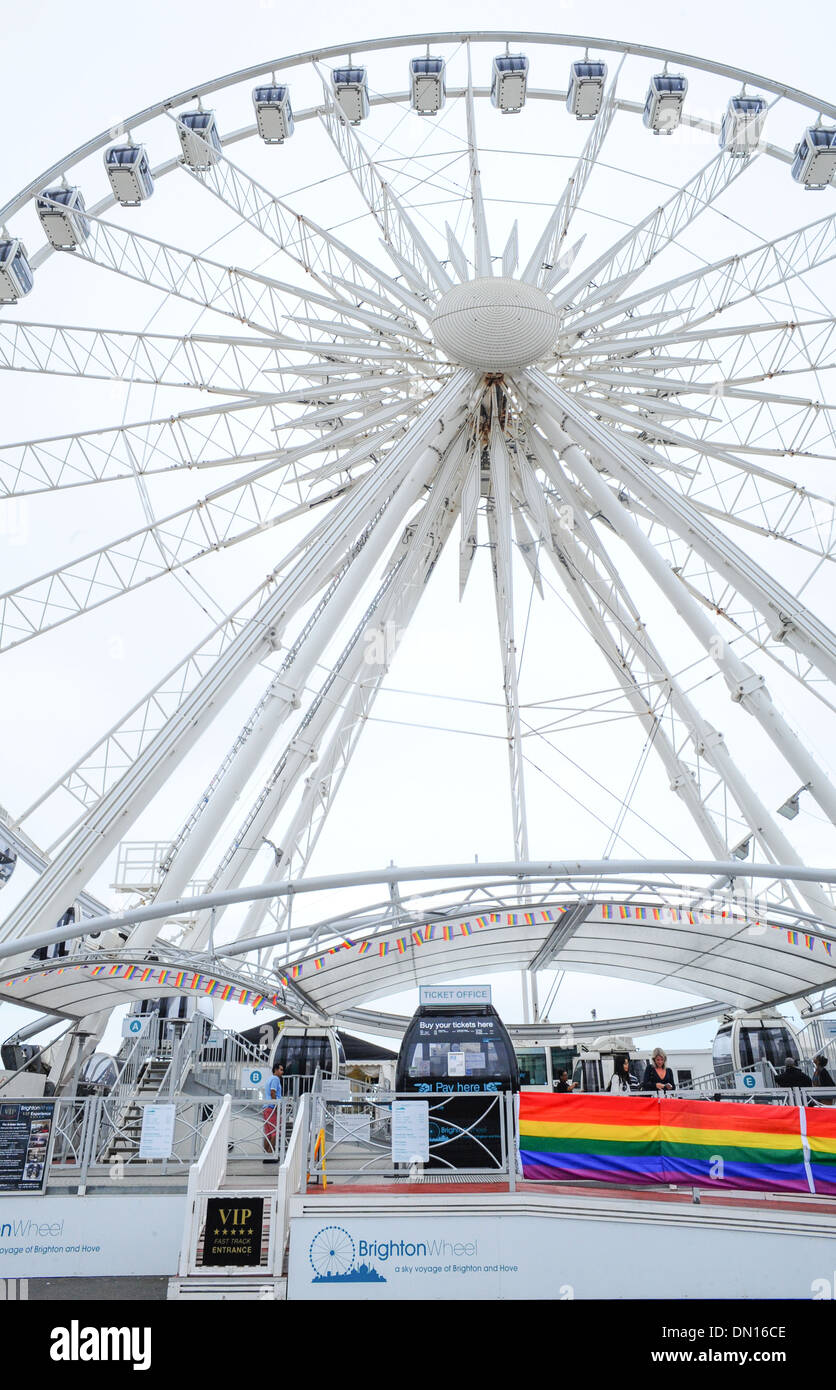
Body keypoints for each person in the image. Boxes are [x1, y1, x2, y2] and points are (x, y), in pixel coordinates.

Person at [262, 1062, 284, 1162]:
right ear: (275, 1070)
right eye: (281, 1070)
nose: (282, 1072)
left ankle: (266, 1155)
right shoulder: (275, 1079)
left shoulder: (269, 1079)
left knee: (268, 1133)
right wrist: (276, 1106)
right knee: (275, 1132)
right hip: (271, 1108)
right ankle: (271, 1155)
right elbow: (273, 1092)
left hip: (266, 1107)